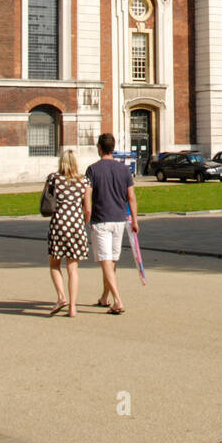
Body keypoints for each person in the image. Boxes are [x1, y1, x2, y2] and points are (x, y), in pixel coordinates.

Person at [85, 132, 138, 315]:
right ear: (113, 148)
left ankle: (117, 300)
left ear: (99, 148)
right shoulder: (124, 170)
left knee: (106, 260)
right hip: (120, 219)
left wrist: (86, 218)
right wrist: (135, 221)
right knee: (112, 260)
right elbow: (131, 197)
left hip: (101, 220)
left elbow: (87, 199)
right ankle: (105, 297)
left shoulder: (92, 170)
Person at [42, 150, 89, 317]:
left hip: (58, 224)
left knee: (54, 264)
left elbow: (46, 199)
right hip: (76, 226)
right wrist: (82, 223)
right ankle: (73, 307)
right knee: (73, 268)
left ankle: (61, 297)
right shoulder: (84, 181)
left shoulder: (53, 178)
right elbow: (88, 208)